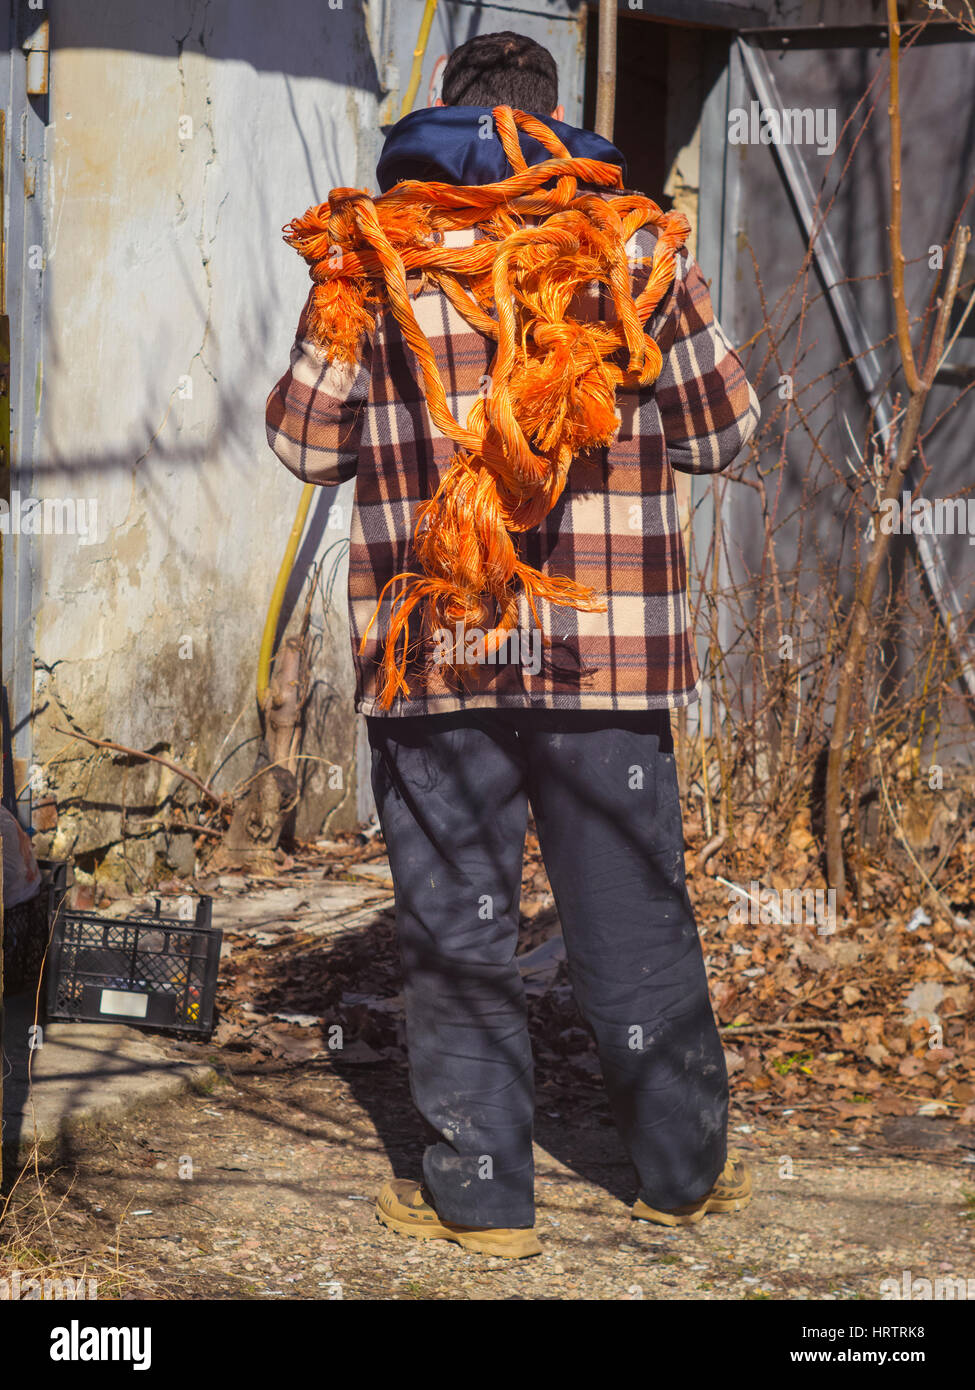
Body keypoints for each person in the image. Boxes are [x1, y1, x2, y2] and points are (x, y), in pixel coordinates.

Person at [267, 30, 760, 1259]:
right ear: (555, 119)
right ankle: (683, 1174)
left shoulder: (373, 253)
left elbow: (304, 444)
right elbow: (726, 431)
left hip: (438, 652)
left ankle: (484, 1202)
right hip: (607, 655)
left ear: (445, 116)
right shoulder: (632, 245)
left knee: (458, 926)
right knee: (631, 916)